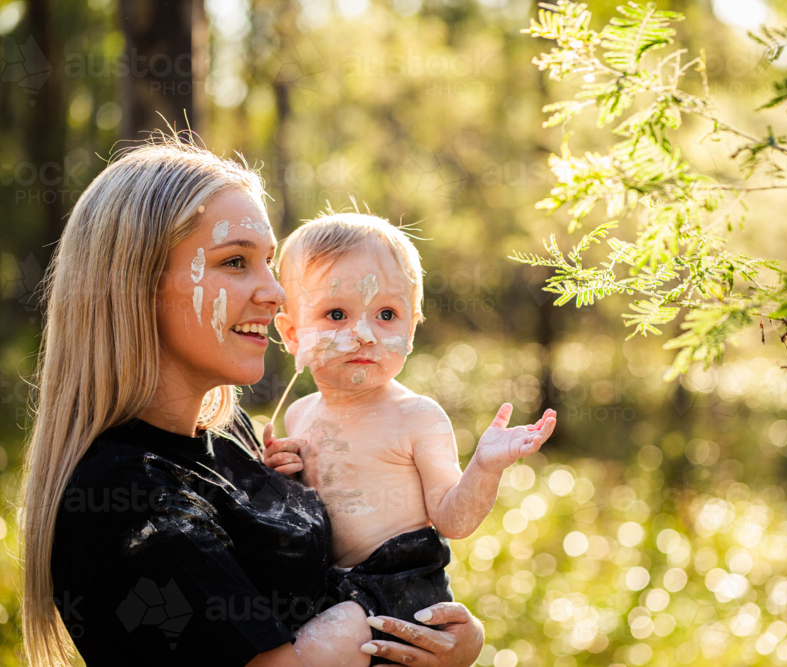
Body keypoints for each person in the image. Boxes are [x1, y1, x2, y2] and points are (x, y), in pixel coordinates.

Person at [18, 138, 485, 667]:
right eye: (235, 261)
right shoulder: (131, 500)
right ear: (138, 285)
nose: (277, 294)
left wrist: (440, 634)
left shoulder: (227, 431)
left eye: (268, 263)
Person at [260, 214, 556, 660]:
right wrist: (281, 476)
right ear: (291, 333)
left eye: (386, 314)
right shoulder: (299, 414)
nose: (363, 335)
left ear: (412, 329)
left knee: (307, 654)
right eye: (336, 314)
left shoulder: (415, 416)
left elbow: (453, 521)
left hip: (398, 587)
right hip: (329, 587)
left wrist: (485, 466)